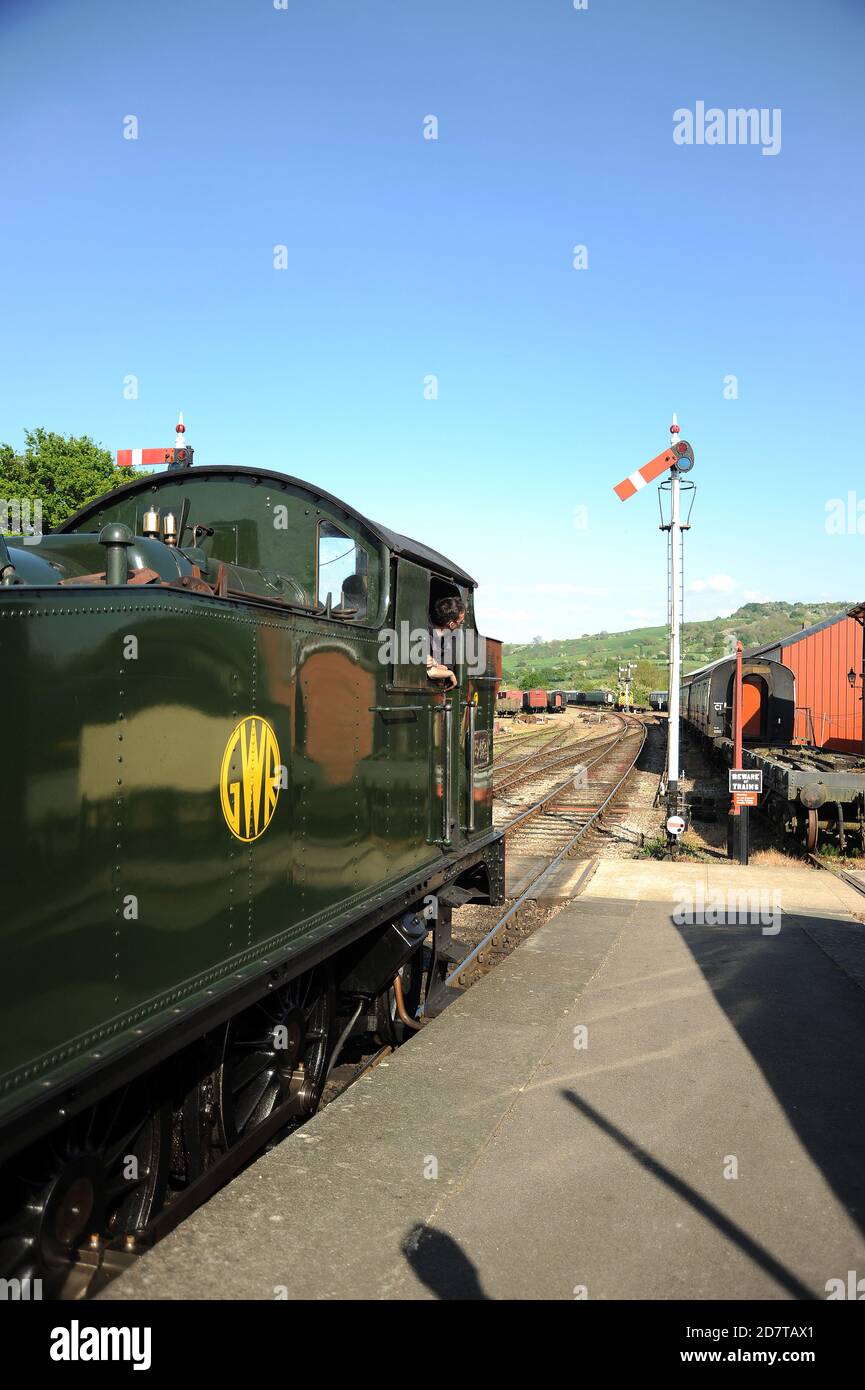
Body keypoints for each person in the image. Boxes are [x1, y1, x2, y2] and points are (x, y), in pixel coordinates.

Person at [427, 596, 465, 689]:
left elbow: (446, 666)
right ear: (452, 624)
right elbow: (430, 671)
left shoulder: (453, 637)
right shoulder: (421, 627)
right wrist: (449, 674)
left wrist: (435, 665)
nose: (461, 623)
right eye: (460, 622)